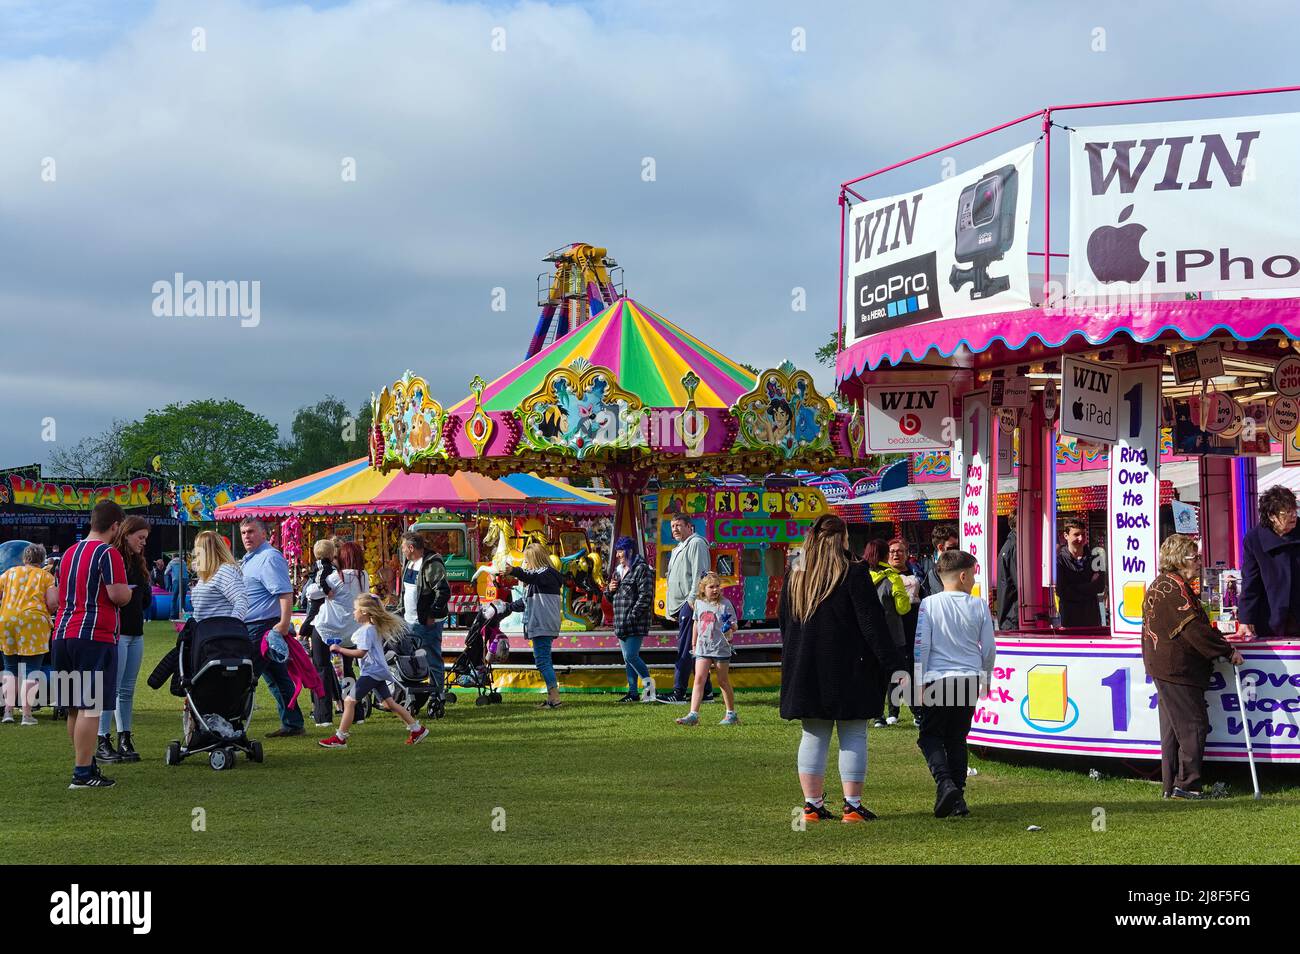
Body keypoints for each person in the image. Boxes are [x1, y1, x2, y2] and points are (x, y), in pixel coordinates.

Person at [779, 514, 905, 824]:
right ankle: (853, 805)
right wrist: (893, 664)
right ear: (844, 538)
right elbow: (871, 625)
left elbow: (785, 620)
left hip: (806, 665)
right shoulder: (854, 572)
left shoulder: (797, 570)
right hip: (850, 667)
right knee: (853, 734)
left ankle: (811, 806)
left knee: (813, 734)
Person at [1142, 534, 1243, 800]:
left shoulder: (1166, 584)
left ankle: (1171, 786)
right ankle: (1186, 786)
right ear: (1177, 560)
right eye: (1194, 557)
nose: (1198, 562)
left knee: (1174, 730)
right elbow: (1193, 629)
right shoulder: (1171, 587)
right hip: (1176, 668)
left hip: (1166, 666)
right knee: (1192, 726)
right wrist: (1226, 649)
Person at [50, 501, 133, 789]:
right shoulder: (108, 553)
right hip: (93, 636)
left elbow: (54, 597)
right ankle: (82, 772)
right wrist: (129, 595)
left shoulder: (68, 554)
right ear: (115, 526)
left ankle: (84, 763)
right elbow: (118, 595)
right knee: (90, 707)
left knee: (73, 707)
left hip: (62, 634)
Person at [914, 549, 998, 818]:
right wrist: (984, 676)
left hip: (938, 678)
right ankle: (957, 797)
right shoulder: (979, 605)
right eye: (973, 575)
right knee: (956, 738)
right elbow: (989, 649)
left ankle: (945, 784)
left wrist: (919, 679)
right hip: (970, 678)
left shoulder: (929, 604)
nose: (974, 580)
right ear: (963, 576)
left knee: (930, 736)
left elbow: (921, 645)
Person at [318, 594, 429, 749]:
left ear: (364, 612)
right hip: (378, 671)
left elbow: (361, 653)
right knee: (389, 703)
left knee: (349, 701)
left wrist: (339, 649)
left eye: (355, 610)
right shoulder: (371, 628)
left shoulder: (367, 631)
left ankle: (340, 738)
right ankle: (417, 729)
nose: (353, 613)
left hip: (372, 672)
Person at [240, 518, 304, 737]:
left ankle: (233, 721)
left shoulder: (268, 557)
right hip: (256, 625)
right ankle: (293, 723)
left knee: (246, 676)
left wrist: (284, 624)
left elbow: (284, 592)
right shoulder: (251, 559)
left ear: (264, 534)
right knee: (277, 676)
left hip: (263, 627)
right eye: (243, 533)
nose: (246, 536)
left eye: (251, 532)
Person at [95, 515, 151, 764]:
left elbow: (145, 599)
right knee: (112, 688)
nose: (143, 543)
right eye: (140, 538)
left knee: (127, 689)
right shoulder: (113, 560)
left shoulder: (139, 562)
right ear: (126, 535)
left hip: (135, 632)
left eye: (145, 539)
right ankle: (102, 738)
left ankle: (125, 737)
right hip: (117, 632)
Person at [306, 541, 369, 726]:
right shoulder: (363, 577)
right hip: (350, 633)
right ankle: (356, 713)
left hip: (326, 628)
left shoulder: (336, 576)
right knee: (347, 672)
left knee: (322, 670)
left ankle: (323, 717)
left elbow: (312, 592)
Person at [0, 544, 58, 726]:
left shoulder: (8, 573)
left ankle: (8, 712)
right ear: (42, 560)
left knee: (10, 667)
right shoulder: (45, 576)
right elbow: (53, 602)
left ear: (24, 558)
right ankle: (26, 714)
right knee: (32, 669)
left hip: (7, 621)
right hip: (34, 623)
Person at [674, 572, 739, 726]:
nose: (716, 590)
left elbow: (735, 625)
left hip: (720, 648)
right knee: (699, 679)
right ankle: (693, 715)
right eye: (712, 587)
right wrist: (694, 644)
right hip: (703, 648)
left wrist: (729, 625)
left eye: (718, 586)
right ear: (703, 589)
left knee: (722, 681)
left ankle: (731, 714)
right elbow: (696, 624)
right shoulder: (699, 603)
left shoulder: (725, 604)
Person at [660, 513, 712, 704]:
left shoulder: (696, 543)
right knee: (694, 646)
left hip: (689, 604)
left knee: (685, 648)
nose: (674, 529)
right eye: (672, 526)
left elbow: (700, 572)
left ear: (690, 527)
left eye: (679, 525)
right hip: (680, 605)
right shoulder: (678, 548)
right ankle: (706, 691)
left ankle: (678, 691)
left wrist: (691, 599)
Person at [1238, 485, 1300, 638]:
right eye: (1287, 512)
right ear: (1272, 515)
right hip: (1271, 617)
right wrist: (1245, 619)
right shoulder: (1254, 539)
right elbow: (1250, 582)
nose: (1293, 516)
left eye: (1294, 510)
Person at [509, 542, 564, 709]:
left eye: (526, 560)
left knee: (542, 662)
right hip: (540, 622)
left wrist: (513, 571)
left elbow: (530, 576)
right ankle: (551, 697)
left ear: (534, 559)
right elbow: (525, 602)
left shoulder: (546, 574)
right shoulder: (541, 577)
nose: (525, 564)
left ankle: (554, 698)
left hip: (543, 623)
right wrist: (505, 607)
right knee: (544, 660)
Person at [399, 530, 450, 701]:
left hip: (427, 622)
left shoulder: (430, 564)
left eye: (403, 547)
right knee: (414, 659)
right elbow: (407, 591)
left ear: (411, 548)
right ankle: (419, 695)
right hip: (410, 620)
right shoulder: (409, 563)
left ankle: (437, 695)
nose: (402, 550)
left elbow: (443, 592)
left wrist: (432, 614)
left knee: (431, 658)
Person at [865, 538, 910, 727]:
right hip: (893, 636)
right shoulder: (893, 577)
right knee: (896, 674)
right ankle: (893, 712)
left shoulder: (861, 575)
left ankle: (877, 715)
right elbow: (903, 608)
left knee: (874, 676)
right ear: (886, 555)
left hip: (869, 635)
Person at [608, 535, 654, 703]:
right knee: (627, 659)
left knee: (631, 656)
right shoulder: (618, 571)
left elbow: (646, 596)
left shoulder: (641, 569)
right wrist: (610, 590)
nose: (618, 554)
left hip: (635, 621)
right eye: (617, 551)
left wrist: (632, 616)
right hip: (620, 621)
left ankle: (649, 689)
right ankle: (633, 692)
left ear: (630, 551)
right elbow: (610, 598)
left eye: (621, 550)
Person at [1057, 517, 1105, 628]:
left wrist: (1075, 586)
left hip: (1092, 620)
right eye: (1076, 534)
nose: (1081, 538)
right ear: (1066, 536)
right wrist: (1089, 585)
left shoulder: (1096, 559)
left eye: (1083, 534)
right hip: (1070, 621)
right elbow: (1062, 591)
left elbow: (1100, 587)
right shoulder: (1059, 561)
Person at [190, 531, 248, 620]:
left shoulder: (225, 571)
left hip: (220, 631)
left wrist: (232, 625)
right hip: (204, 630)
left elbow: (242, 600)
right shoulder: (206, 574)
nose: (195, 552)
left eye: (198, 548)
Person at [918, 525, 958, 599]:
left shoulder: (959, 565)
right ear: (940, 547)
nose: (956, 550)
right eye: (953, 547)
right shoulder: (931, 570)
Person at [997, 512, 1019, 630]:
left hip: (1009, 616)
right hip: (1014, 617)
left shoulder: (1009, 546)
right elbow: (1020, 584)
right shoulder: (1015, 547)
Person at [165, 551, 188, 620]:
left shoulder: (171, 562)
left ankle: (172, 616)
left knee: (174, 599)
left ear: (173, 557)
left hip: (176, 580)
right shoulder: (183, 562)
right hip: (185, 580)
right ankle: (183, 616)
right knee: (183, 599)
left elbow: (166, 572)